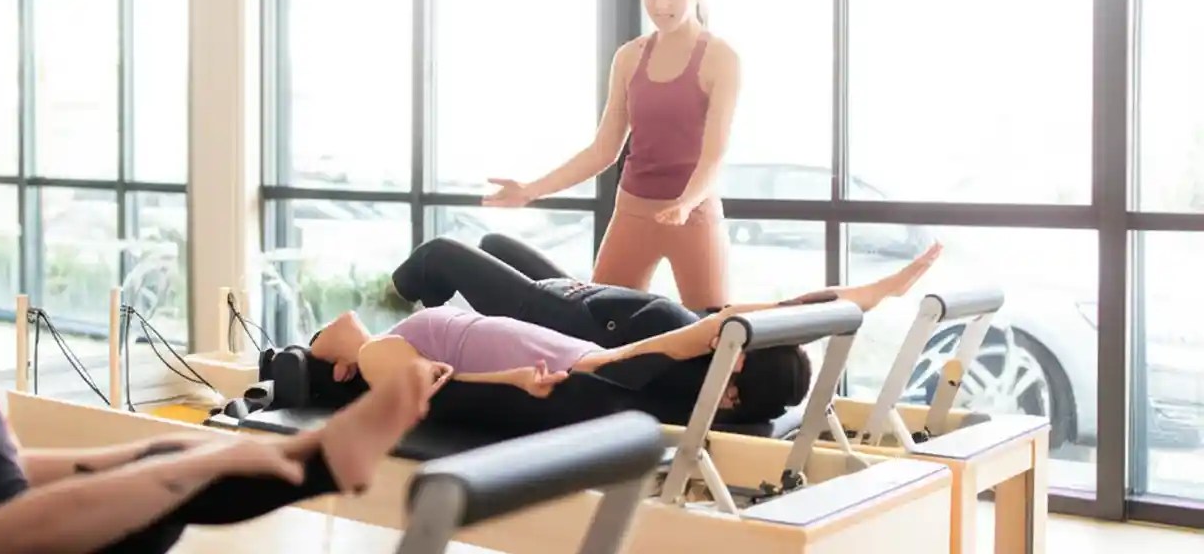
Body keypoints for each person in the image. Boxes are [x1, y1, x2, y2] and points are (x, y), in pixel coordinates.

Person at [308, 234, 943, 428]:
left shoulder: (671, 359)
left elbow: (748, 316)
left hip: (551, 311)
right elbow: (790, 305)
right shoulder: (705, 347)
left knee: (436, 257)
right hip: (576, 293)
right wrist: (879, 293)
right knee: (492, 242)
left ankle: (395, 313)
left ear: (734, 381)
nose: (741, 331)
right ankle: (405, 332)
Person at [0, 320, 433, 554]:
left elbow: (13, 474)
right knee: (161, 485)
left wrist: (176, 454)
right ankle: (315, 462)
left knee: (164, 464)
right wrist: (199, 465)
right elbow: (1, 536)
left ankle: (313, 460)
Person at [484, 0, 740, 312]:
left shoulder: (721, 58)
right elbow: (604, 149)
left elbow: (714, 154)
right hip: (633, 210)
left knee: (713, 328)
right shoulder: (629, 57)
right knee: (599, 321)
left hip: (693, 215)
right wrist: (530, 189)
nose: (660, 4)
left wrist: (685, 204)